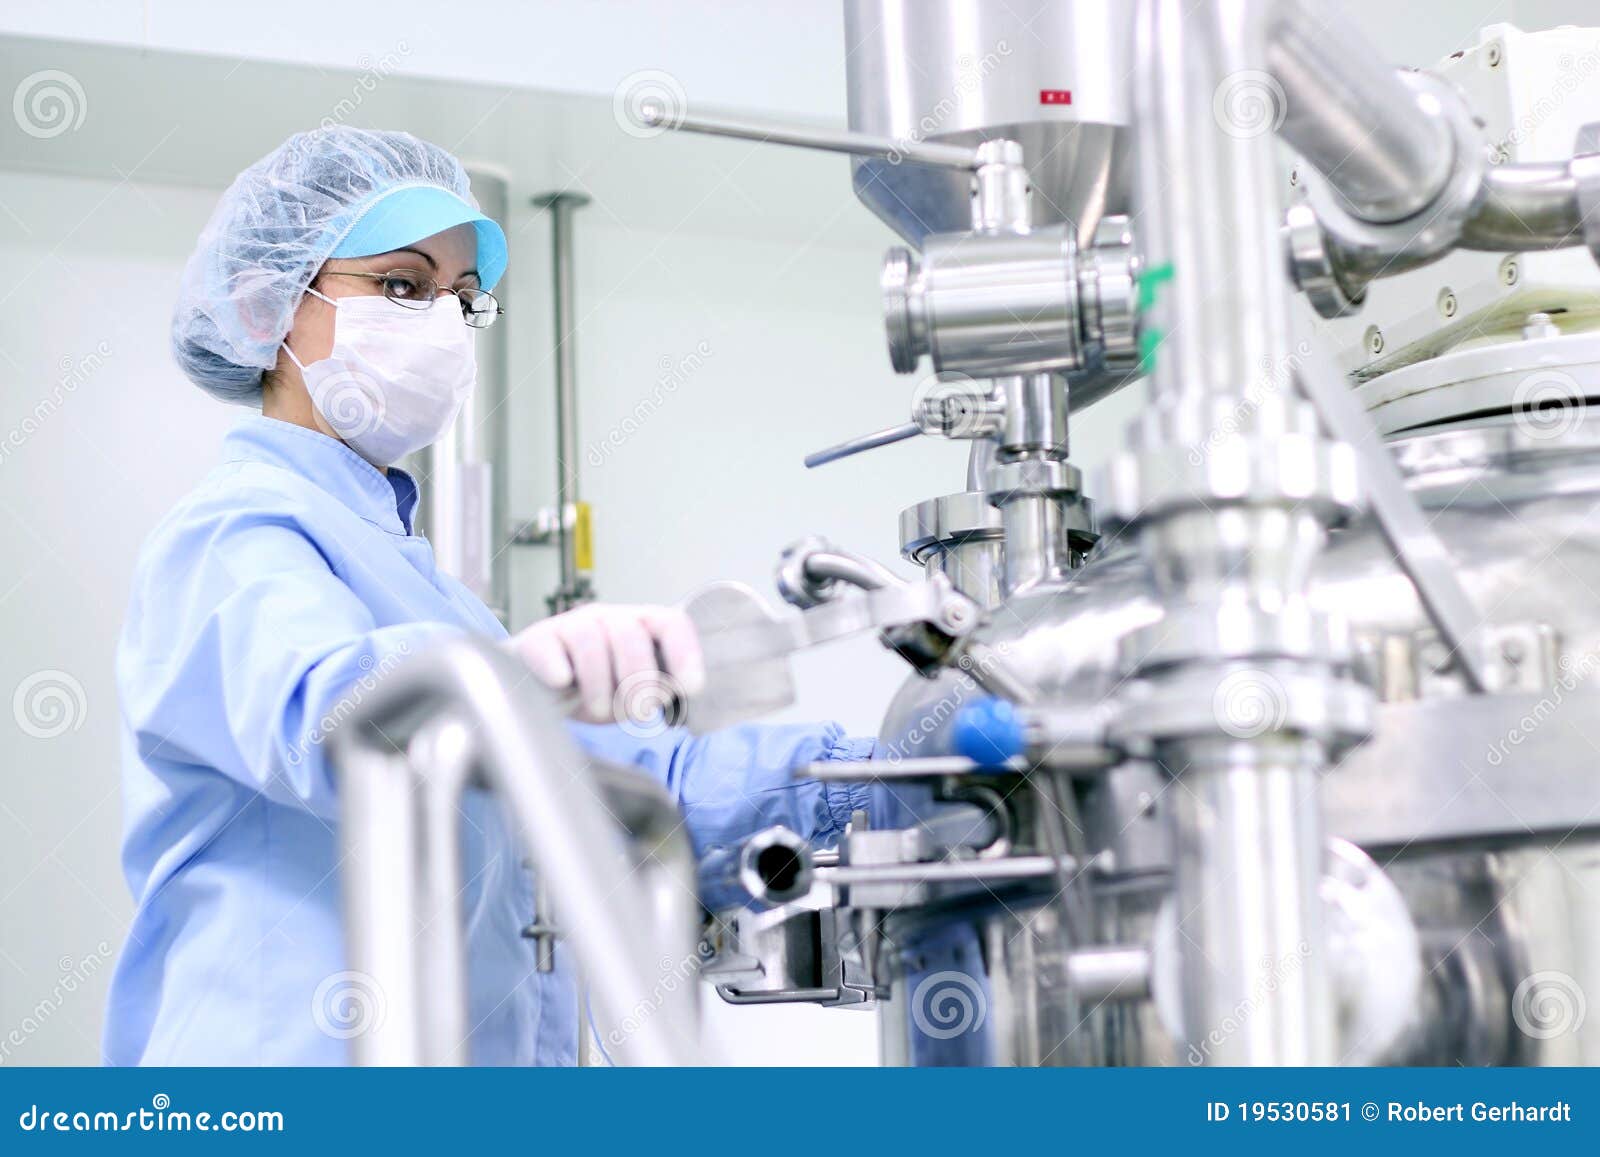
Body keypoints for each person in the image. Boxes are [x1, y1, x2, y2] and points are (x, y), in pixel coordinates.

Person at [105, 126, 872, 1066]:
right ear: (268, 307)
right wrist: (512, 675)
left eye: (462, 299)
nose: (441, 322)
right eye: (402, 285)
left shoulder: (436, 596)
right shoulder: (229, 535)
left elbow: (639, 785)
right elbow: (331, 718)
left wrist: (879, 778)